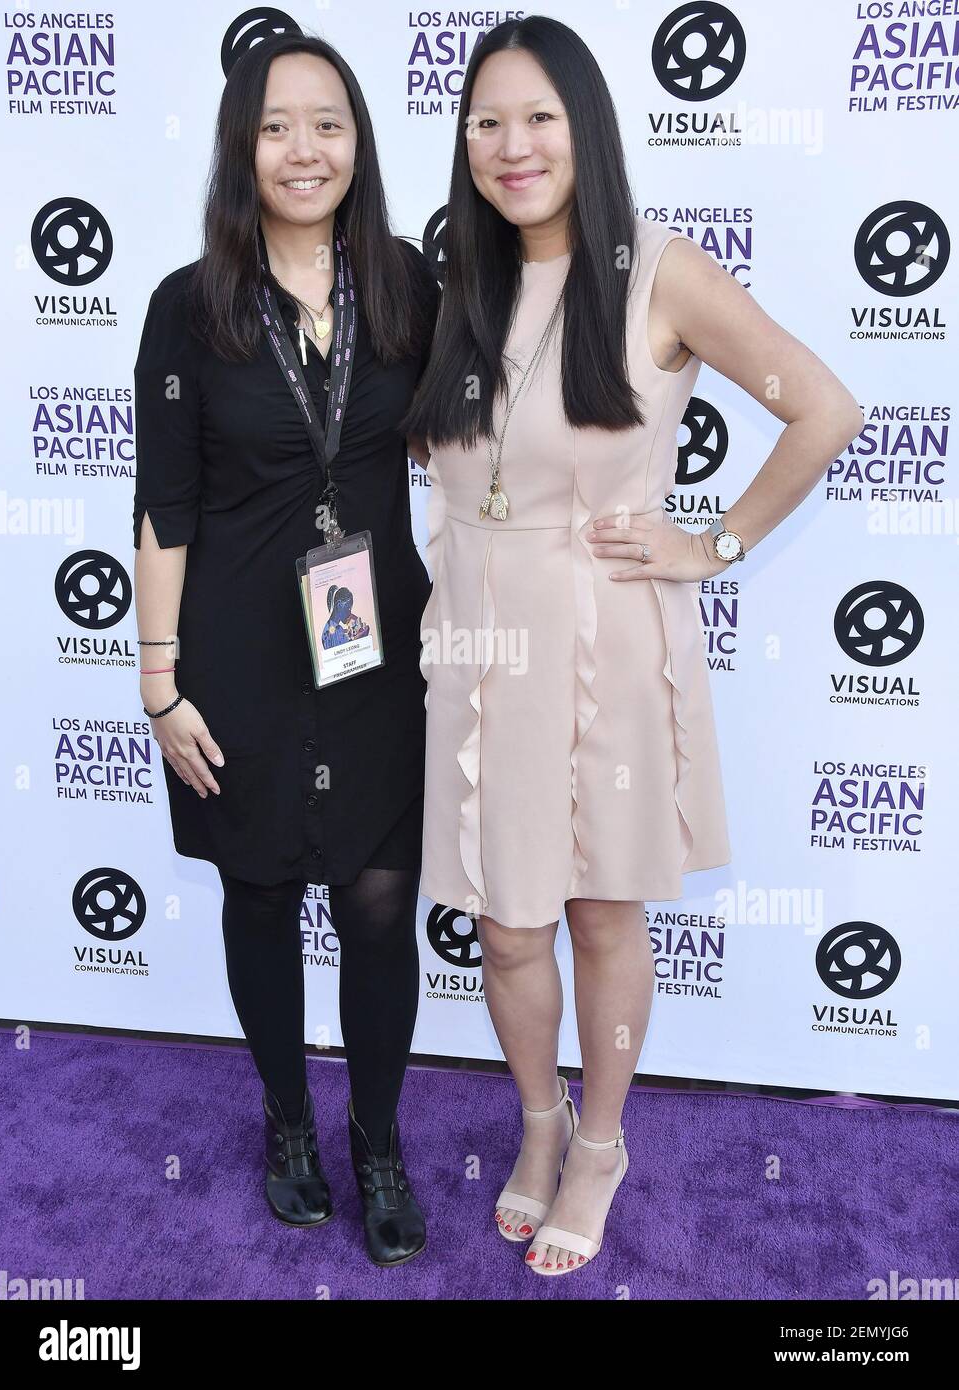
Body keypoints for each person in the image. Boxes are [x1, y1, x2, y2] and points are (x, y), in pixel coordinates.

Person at [404, 14, 864, 1278]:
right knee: (505, 929)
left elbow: (823, 404)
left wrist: (711, 543)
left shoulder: (658, 269)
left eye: (540, 117)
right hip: (480, 646)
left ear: (586, 129)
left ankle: (599, 1146)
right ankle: (539, 1127)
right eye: (488, 119)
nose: (513, 145)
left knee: (602, 914)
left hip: (604, 634)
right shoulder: (454, 284)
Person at [132, 32, 439, 1267]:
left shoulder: (411, 282)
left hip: (377, 650)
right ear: (237, 146)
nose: (303, 149)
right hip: (239, 656)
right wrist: (160, 680)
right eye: (274, 126)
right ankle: (285, 1123)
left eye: (327, 123)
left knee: (378, 904)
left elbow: (483, 430)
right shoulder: (186, 304)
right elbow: (164, 505)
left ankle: (376, 1140)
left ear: (359, 140)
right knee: (258, 892)